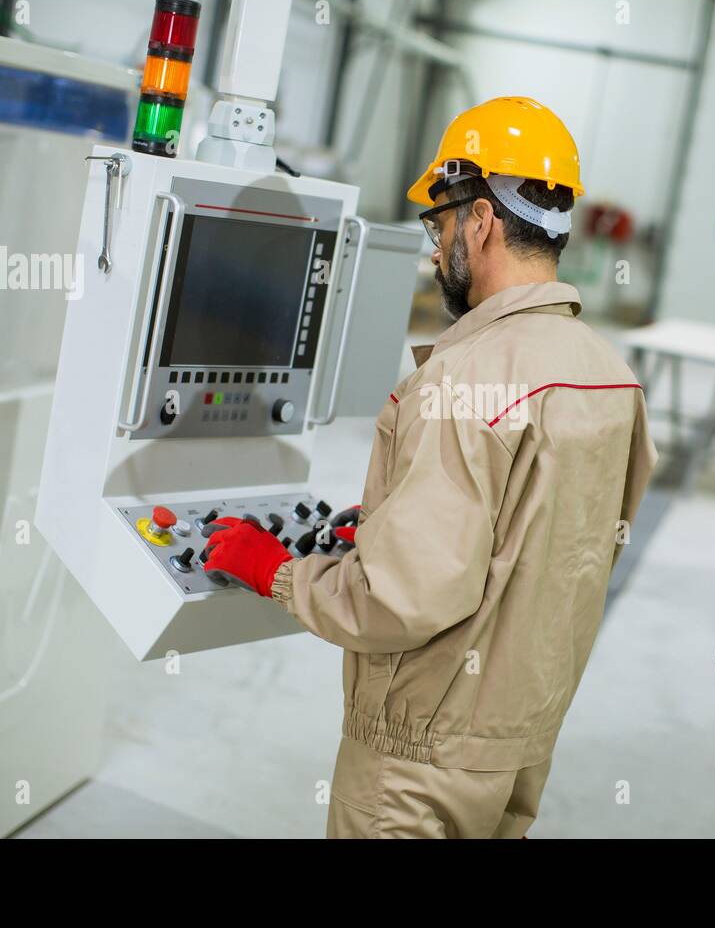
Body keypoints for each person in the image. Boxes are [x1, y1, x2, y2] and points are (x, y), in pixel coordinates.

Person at [201, 96, 657, 838]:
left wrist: (278, 573)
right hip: (518, 744)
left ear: (479, 220)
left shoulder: (463, 378)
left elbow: (402, 599)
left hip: (421, 762)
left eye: (438, 224)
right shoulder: (608, 376)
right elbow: (543, 547)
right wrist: (387, 526)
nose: (434, 245)